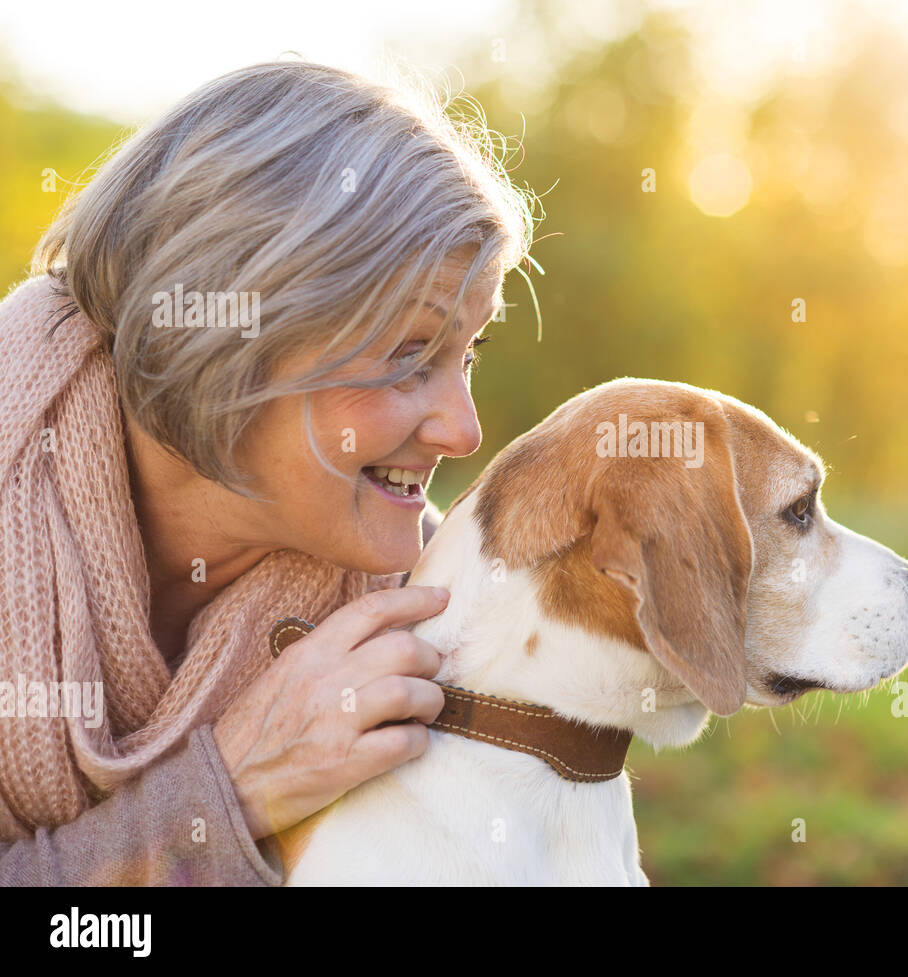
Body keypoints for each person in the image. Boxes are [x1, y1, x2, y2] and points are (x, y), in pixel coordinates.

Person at [0, 60, 536, 884]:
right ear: (224, 347)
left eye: (469, 353)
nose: (464, 431)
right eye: (410, 355)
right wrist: (230, 796)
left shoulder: (428, 607)